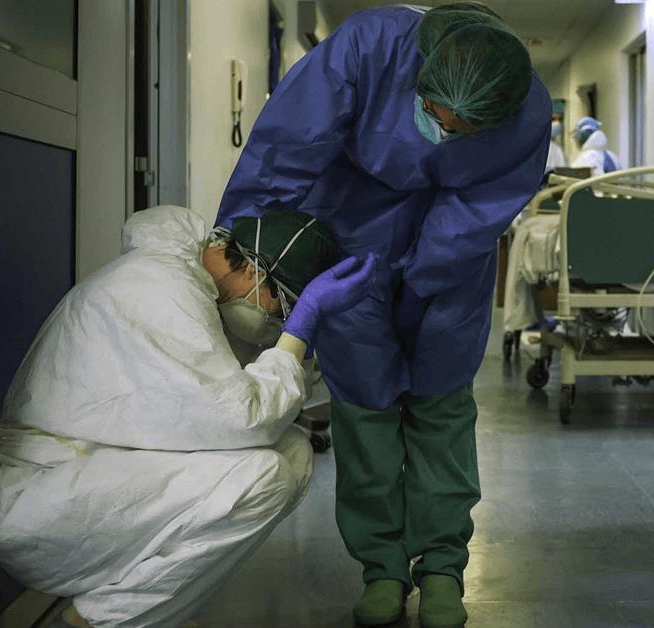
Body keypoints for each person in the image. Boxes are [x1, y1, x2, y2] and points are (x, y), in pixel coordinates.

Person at [215, 3, 550, 626]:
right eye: (435, 118)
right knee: (364, 404)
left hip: (452, 256)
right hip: (348, 230)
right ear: (420, 77)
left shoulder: (527, 108)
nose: (441, 135)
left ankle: (445, 565)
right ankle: (382, 568)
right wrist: (245, 243)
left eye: (460, 132)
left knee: (441, 403)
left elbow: (484, 203)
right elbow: (289, 142)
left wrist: (423, 273)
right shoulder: (373, 45)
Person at [0, 205, 376, 628]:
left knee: (291, 451)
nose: (275, 322)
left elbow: (229, 401)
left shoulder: (185, 284)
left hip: (79, 473)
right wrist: (298, 333)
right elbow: (244, 418)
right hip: (36, 504)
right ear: (258, 271)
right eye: (281, 308)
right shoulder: (162, 291)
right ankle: (99, 621)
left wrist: (298, 341)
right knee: (261, 476)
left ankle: (137, 612)